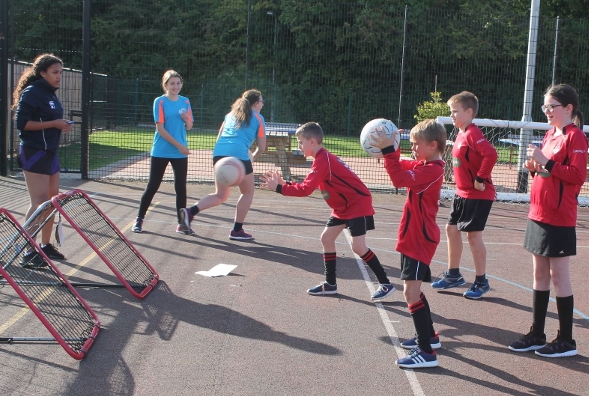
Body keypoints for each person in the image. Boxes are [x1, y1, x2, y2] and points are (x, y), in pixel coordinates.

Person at [258, 122, 395, 301]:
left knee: (358, 247)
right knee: (327, 238)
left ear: (312, 142)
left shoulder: (323, 160)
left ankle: (386, 283)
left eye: (301, 142)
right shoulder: (321, 159)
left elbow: (306, 190)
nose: (299, 146)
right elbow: (307, 185)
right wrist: (285, 185)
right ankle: (330, 284)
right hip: (343, 207)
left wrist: (279, 188)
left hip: (356, 204)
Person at [507, 83, 588, 358]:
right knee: (539, 274)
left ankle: (566, 340)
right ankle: (536, 333)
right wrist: (535, 168)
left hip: (559, 216)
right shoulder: (549, 134)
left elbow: (576, 177)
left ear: (568, 108)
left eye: (551, 106)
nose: (547, 111)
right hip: (538, 214)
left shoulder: (575, 137)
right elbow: (547, 174)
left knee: (559, 277)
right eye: (545, 107)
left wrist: (547, 163)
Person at [368, 120, 446, 369]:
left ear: (433, 145)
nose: (412, 148)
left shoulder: (433, 169)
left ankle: (426, 353)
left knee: (410, 293)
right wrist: (391, 148)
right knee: (415, 291)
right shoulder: (425, 163)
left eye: (416, 144)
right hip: (413, 237)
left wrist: (390, 153)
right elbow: (400, 166)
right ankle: (430, 338)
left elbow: (398, 178)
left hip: (419, 240)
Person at [431, 91, 498, 299]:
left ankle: (481, 281)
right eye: (450, 112)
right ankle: (453, 274)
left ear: (469, 112)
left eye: (455, 111)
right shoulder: (461, 133)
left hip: (478, 195)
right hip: (462, 194)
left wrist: (480, 178)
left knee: (473, 236)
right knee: (451, 229)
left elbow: (491, 154)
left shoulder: (473, 134)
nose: (451, 115)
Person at [178, 89, 266, 240]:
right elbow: (262, 147)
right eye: (262, 101)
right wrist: (252, 158)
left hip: (219, 154)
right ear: (256, 103)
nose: (263, 104)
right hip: (238, 155)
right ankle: (237, 230)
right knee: (248, 192)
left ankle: (190, 212)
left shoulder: (230, 115)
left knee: (220, 195)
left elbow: (220, 136)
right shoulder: (258, 118)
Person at [12, 53, 73, 268]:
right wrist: (53, 123)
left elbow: (49, 120)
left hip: (50, 153)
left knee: (51, 201)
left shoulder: (50, 94)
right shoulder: (32, 93)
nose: (59, 77)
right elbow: (22, 123)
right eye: (55, 72)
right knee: (39, 203)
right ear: (42, 73)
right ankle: (28, 250)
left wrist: (61, 124)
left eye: (60, 73)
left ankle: (46, 245)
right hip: (34, 152)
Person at [132, 70, 193, 234]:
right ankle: (139, 220)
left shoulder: (185, 101)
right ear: (165, 85)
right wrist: (179, 145)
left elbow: (189, 126)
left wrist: (187, 120)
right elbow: (160, 129)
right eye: (172, 83)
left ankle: (182, 224)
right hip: (161, 151)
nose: (176, 86)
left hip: (180, 152)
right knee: (153, 185)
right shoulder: (159, 102)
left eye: (178, 83)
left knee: (181, 187)